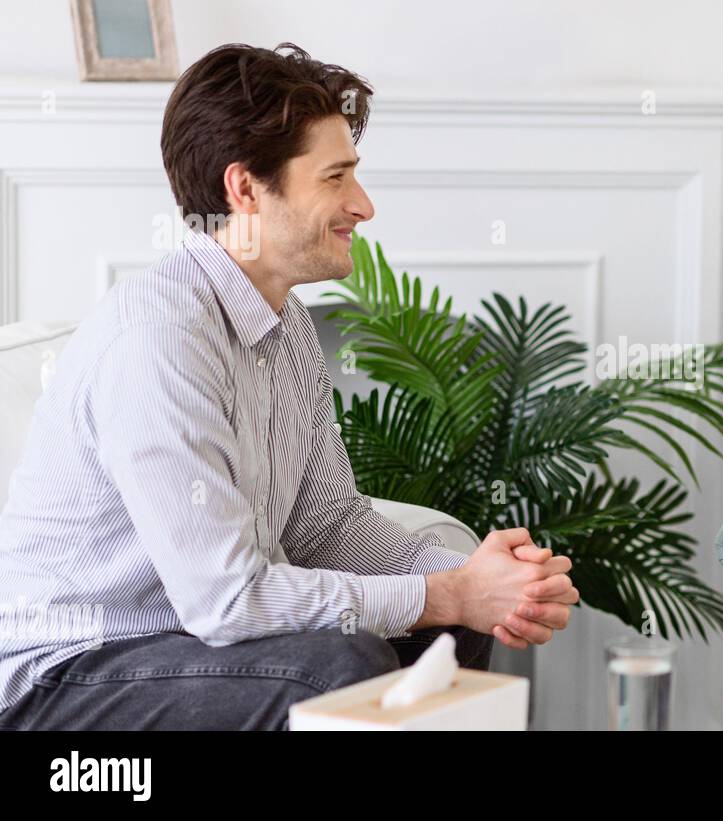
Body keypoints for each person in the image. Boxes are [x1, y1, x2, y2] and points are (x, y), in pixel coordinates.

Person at [0, 43, 578, 730]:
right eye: (335, 178)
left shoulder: (285, 323)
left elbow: (327, 523)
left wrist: (479, 579)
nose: (362, 205)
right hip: (67, 675)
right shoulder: (157, 339)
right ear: (245, 189)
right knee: (342, 668)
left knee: (444, 639)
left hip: (186, 645)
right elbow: (228, 602)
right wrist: (448, 591)